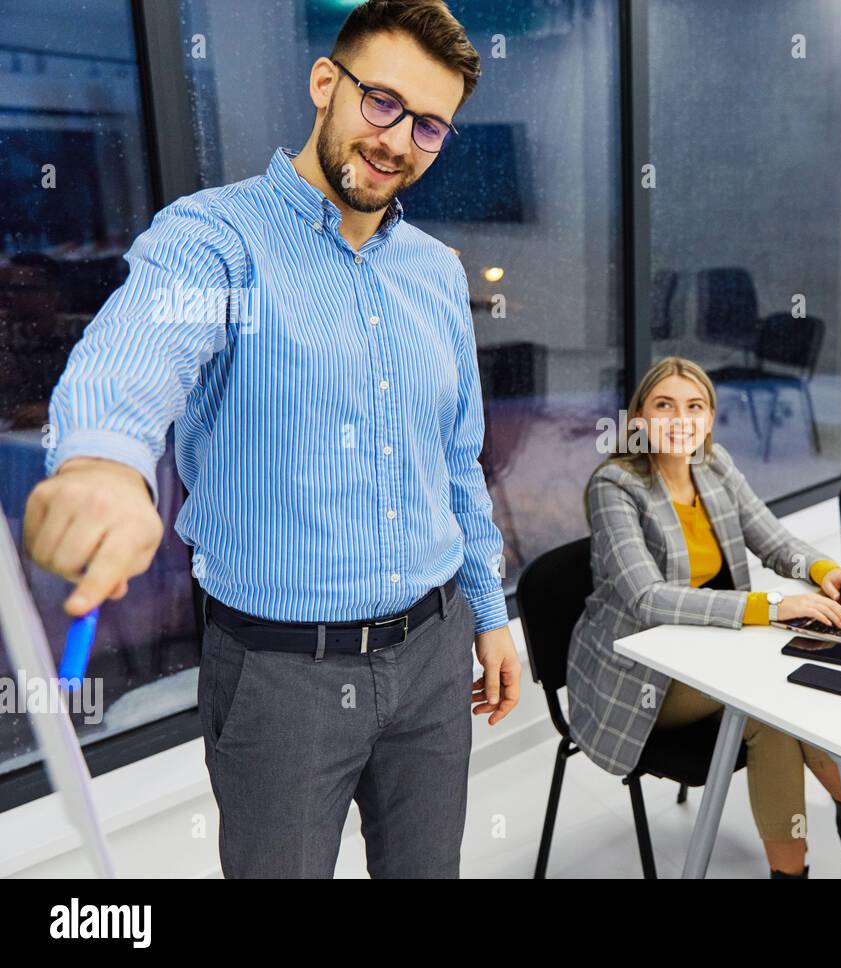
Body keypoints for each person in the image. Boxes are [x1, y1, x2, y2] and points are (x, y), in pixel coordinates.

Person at [21, 0, 520, 877]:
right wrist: (103, 461)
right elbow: (139, 346)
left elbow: (457, 465)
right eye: (383, 103)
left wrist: (489, 614)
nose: (399, 140)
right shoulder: (217, 239)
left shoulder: (436, 274)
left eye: (430, 126)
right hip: (283, 676)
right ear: (326, 83)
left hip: (437, 654)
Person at [568, 357, 841, 877]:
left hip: (709, 645)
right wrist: (771, 607)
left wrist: (821, 568)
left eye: (695, 406)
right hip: (638, 671)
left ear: (710, 418)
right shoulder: (615, 486)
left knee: (786, 698)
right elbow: (647, 599)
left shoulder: (714, 464)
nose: (681, 418)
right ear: (638, 420)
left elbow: (771, 537)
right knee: (771, 710)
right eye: (665, 406)